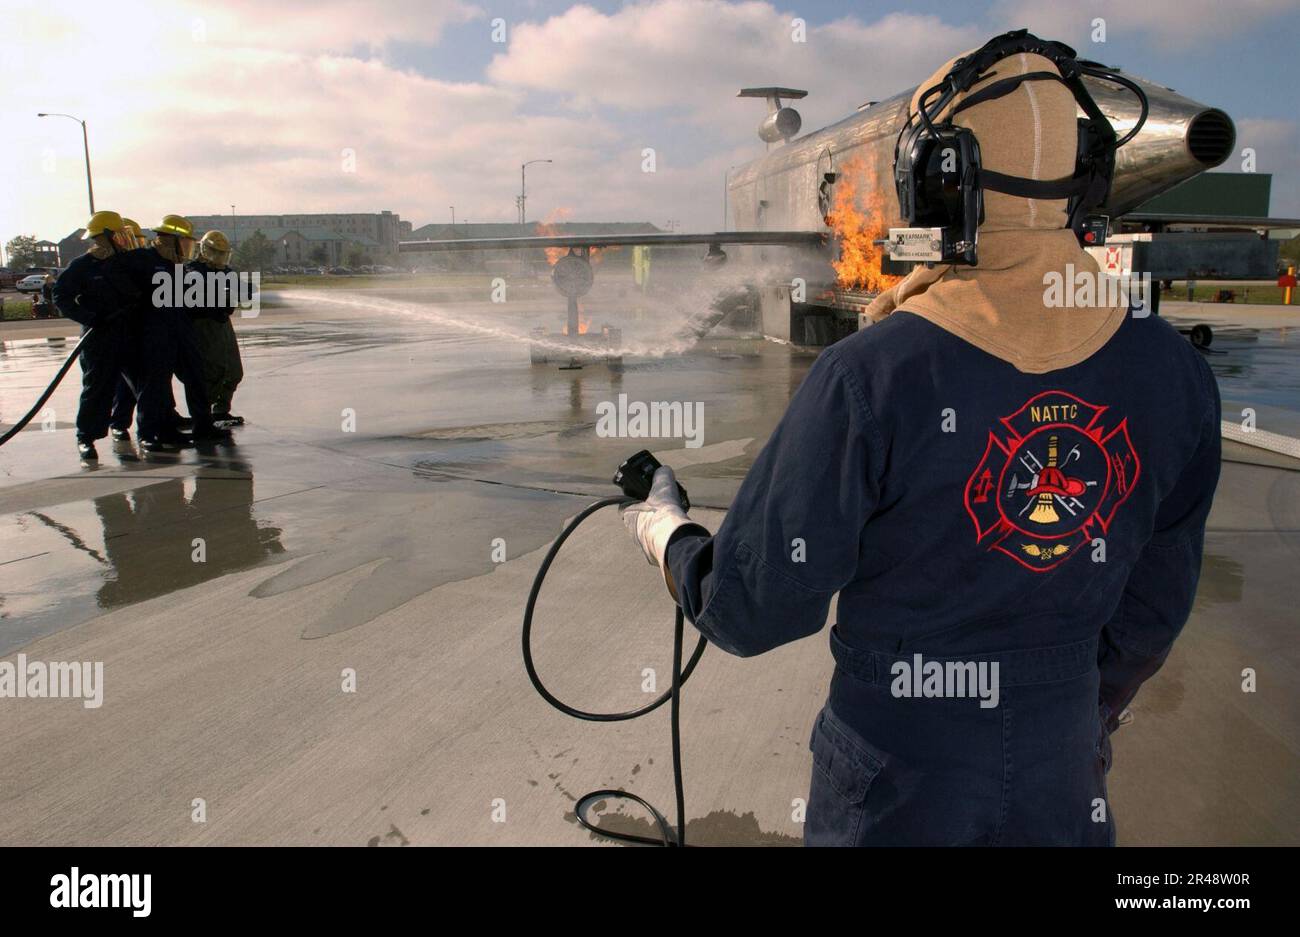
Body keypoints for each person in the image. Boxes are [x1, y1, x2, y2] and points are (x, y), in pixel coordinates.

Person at [623, 41, 1221, 846]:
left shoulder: (869, 375)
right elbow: (1153, 605)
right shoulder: (1173, 371)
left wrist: (663, 526)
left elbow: (748, 607)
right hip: (1064, 762)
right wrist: (1069, 702)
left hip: (899, 775)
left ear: (940, 181)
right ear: (1088, 182)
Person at [115, 214, 231, 452]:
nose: (187, 250)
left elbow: (191, 300)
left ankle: (203, 427)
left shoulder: (176, 266)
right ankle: (150, 433)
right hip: (154, 335)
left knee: (197, 379)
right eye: (185, 243)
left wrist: (218, 306)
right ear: (168, 240)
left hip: (182, 331)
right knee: (154, 386)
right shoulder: (140, 261)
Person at [52, 210, 139, 460]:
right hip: (100, 336)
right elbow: (61, 296)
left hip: (129, 333)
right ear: (106, 235)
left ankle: (122, 425)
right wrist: (89, 317)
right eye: (119, 234)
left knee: (140, 385)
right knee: (97, 387)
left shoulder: (128, 262)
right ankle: (86, 437)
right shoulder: (83, 266)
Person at [186, 230, 245, 425]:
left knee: (234, 371)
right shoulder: (192, 271)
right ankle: (203, 415)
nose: (221, 258)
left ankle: (221, 409)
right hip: (204, 324)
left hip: (222, 323)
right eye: (217, 253)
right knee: (213, 370)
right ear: (205, 250)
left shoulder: (226, 271)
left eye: (223, 254)